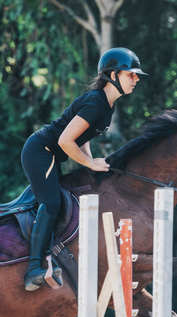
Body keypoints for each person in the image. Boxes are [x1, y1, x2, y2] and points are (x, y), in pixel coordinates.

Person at [21, 47, 147, 291]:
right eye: (131, 74)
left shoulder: (106, 104)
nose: (137, 78)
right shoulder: (95, 103)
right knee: (52, 202)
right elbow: (65, 142)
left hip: (51, 154)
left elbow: (82, 136)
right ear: (113, 74)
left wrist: (90, 163)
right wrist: (90, 163)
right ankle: (33, 268)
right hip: (40, 152)